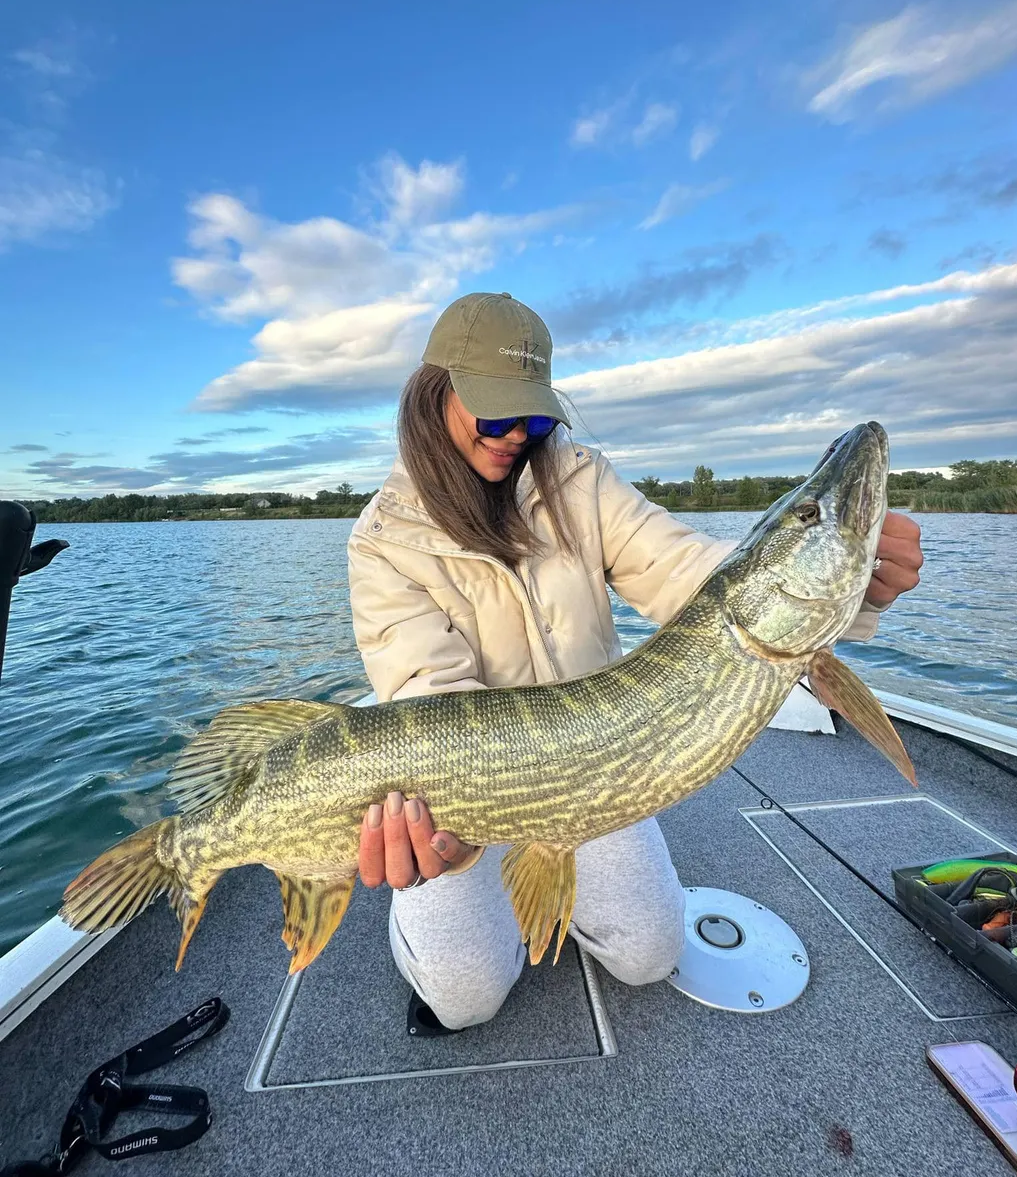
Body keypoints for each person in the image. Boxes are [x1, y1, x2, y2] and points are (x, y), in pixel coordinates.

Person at [347, 291, 923, 1031]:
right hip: (463, 790)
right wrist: (450, 844)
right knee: (465, 998)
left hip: (598, 774)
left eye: (535, 415)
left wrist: (860, 588)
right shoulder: (381, 538)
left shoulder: (578, 480)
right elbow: (431, 692)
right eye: (495, 414)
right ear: (434, 395)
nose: (517, 434)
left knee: (651, 953)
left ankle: (544, 890)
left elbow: (695, 575)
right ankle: (423, 921)